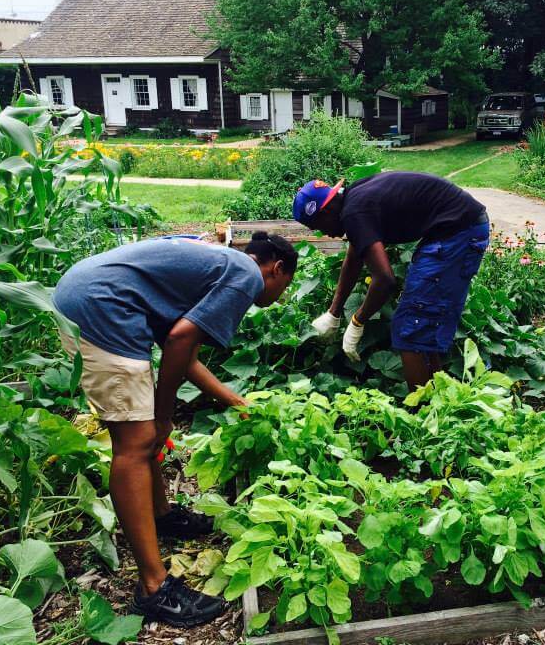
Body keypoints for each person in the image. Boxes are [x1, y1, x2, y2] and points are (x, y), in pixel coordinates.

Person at [52, 232, 296, 626]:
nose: (280, 296)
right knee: (135, 443)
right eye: (284, 287)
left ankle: (162, 515)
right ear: (277, 269)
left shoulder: (220, 261)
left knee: (144, 431)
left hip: (88, 294)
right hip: (101, 308)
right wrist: (164, 413)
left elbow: (182, 348)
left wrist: (235, 401)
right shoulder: (248, 276)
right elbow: (181, 340)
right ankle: (153, 588)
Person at [292, 171, 490, 389]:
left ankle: (422, 412)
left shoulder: (353, 212)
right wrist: (334, 313)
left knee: (409, 327)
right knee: (420, 326)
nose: (325, 234)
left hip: (458, 233)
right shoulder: (354, 198)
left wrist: (357, 322)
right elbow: (355, 256)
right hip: (456, 229)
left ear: (326, 211)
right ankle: (438, 400)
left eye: (319, 226)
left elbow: (385, 279)